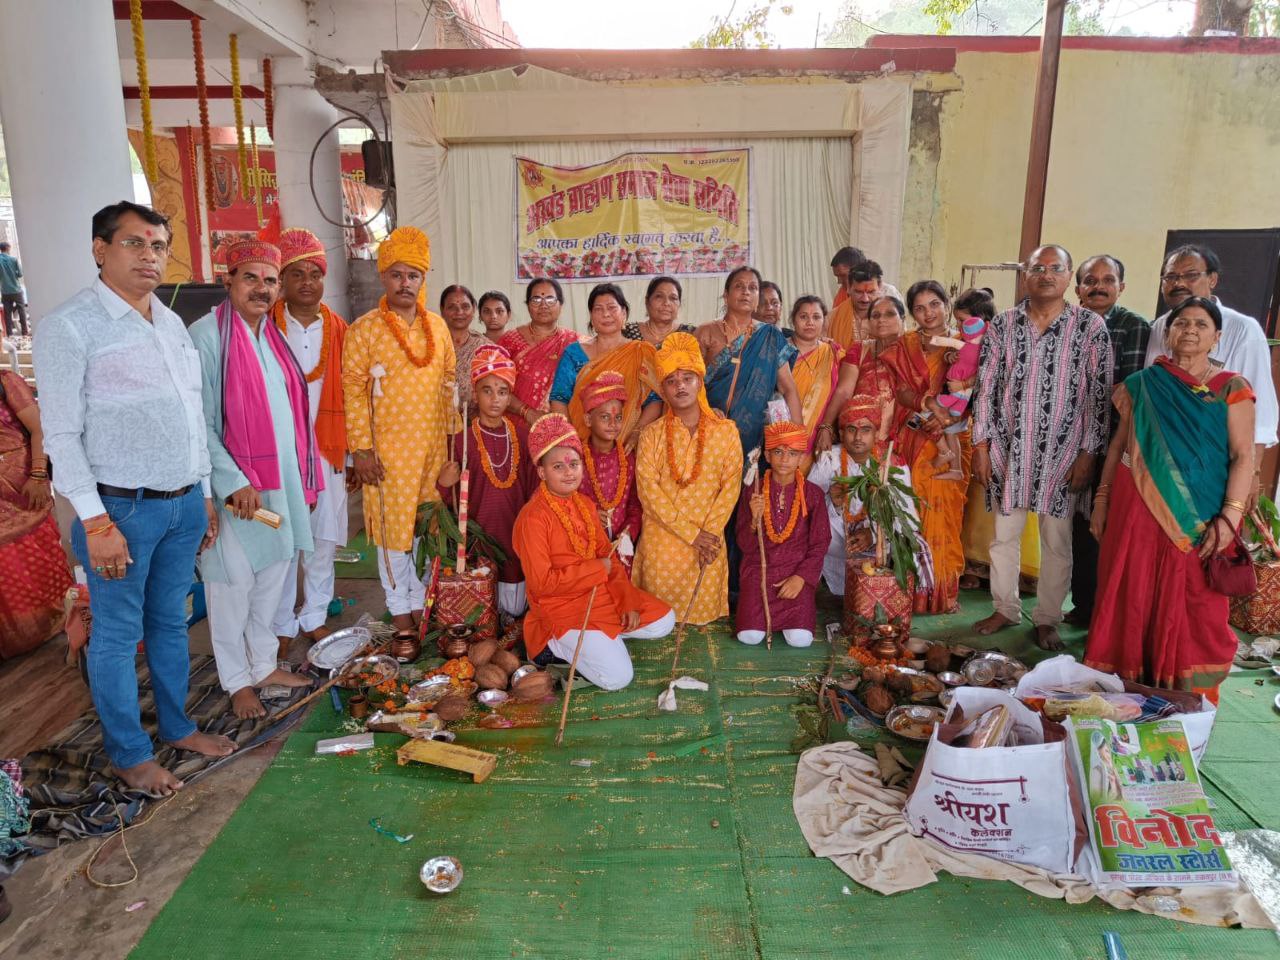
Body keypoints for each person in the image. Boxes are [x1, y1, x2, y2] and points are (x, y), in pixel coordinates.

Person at [36, 201, 232, 795]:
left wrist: (200, 492)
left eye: (157, 246)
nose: (149, 257)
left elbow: (192, 420)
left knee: (171, 623)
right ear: (100, 249)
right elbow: (62, 436)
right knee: (119, 635)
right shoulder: (69, 327)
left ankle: (176, 727)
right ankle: (127, 752)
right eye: (135, 244)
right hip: (118, 509)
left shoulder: (168, 325)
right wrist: (95, 522)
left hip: (178, 504)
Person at [1086, 297, 1254, 704]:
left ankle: (1184, 694)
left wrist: (1230, 517)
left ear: (1217, 337)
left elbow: (1244, 456)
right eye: (1181, 323)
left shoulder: (1232, 387)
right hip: (1135, 513)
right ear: (1168, 332)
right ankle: (1125, 688)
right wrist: (1102, 499)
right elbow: (1118, 447)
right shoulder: (1144, 384)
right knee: (1131, 590)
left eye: (1200, 324)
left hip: (1201, 516)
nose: (1190, 330)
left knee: (1194, 601)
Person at [191, 239, 320, 720]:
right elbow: (199, 421)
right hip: (237, 493)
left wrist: (301, 483)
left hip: (278, 486)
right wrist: (230, 481)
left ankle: (263, 664)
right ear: (229, 281)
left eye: (269, 280)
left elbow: (292, 419)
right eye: (251, 278)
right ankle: (237, 680)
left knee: (273, 574)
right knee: (232, 582)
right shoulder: (207, 336)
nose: (262, 288)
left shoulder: (272, 335)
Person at [972, 244, 1112, 650]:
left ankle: (1048, 617)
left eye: (1055, 268)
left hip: (1064, 452)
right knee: (1004, 536)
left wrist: (1088, 453)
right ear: (1025, 276)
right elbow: (985, 389)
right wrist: (980, 445)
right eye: (1038, 268)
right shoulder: (1003, 325)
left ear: (1069, 277)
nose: (1046, 274)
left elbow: (1098, 397)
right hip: (1009, 449)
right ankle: (1005, 607)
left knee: (1057, 540)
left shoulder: (1089, 328)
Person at [343, 226, 457, 635]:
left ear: (423, 279)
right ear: (383, 277)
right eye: (397, 274)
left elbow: (449, 386)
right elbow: (352, 392)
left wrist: (453, 445)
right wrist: (362, 450)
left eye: (413, 275)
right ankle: (402, 613)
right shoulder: (365, 329)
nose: (405, 283)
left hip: (433, 451)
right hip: (387, 454)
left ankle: (425, 604)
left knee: (428, 528)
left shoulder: (438, 328)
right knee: (393, 532)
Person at [513, 413, 674, 691]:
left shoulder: (585, 505)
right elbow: (543, 583)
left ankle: (603, 641)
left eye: (573, 464)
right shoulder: (533, 518)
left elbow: (608, 557)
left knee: (665, 620)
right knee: (618, 678)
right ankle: (553, 645)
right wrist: (596, 570)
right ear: (542, 472)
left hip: (599, 595)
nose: (568, 472)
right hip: (561, 610)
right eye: (558, 466)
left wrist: (627, 602)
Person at [1144, 244, 1277, 507]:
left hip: (1215, 466)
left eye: (1190, 275)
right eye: (1171, 277)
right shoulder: (1161, 326)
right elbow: (1152, 390)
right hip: (1161, 461)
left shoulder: (1243, 329)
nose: (1179, 283)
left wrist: (1252, 472)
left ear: (1212, 279)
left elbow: (1259, 413)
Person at [268, 228, 349, 653]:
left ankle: (314, 614)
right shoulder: (264, 328)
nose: (306, 282)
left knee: (322, 540)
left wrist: (351, 458)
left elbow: (352, 393)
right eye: (295, 273)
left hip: (326, 449)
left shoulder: (340, 331)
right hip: (278, 454)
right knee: (282, 541)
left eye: (314, 274)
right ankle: (281, 621)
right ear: (281, 280)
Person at [634, 333, 744, 625]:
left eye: (687, 378)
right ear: (664, 390)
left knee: (703, 626)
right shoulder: (651, 435)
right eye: (671, 381)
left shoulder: (726, 431)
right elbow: (648, 493)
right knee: (657, 627)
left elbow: (730, 488)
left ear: (700, 382)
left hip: (709, 537)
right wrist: (691, 534)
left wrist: (707, 534)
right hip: (664, 542)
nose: (680, 386)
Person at [1068, 254, 1150, 627]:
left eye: (1107, 279)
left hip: (1112, 443)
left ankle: (1107, 612)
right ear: (1078, 286)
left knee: (1106, 527)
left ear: (1121, 286)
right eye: (1090, 279)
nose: (1098, 286)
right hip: (1066, 442)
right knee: (1076, 529)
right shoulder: (1066, 324)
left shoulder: (1134, 327)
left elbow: (1127, 392)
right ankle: (1084, 606)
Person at [437, 344, 533, 618]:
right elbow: (448, 502)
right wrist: (444, 483)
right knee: (481, 612)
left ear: (509, 396)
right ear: (475, 395)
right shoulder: (461, 441)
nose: (495, 399)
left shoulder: (523, 437)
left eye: (502, 392)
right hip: (479, 540)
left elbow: (535, 489)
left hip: (516, 536)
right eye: (487, 391)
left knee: (515, 608)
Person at [809, 395, 924, 597]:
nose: (858, 437)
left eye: (866, 430)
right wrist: (833, 504)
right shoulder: (829, 459)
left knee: (913, 540)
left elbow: (909, 518)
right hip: (835, 541)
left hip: (879, 545)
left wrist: (873, 534)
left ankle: (894, 595)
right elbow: (806, 505)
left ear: (876, 433)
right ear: (841, 432)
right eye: (851, 429)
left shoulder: (893, 464)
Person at [734, 422, 830, 648]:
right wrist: (754, 521)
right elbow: (744, 545)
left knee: (801, 640)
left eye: (792, 453)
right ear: (767, 454)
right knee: (748, 637)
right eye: (778, 452)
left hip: (795, 575)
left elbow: (820, 543)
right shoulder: (753, 490)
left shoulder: (813, 494)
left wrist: (801, 578)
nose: (785, 459)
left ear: (801, 458)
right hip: (759, 574)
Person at [0, 368, 73, 658]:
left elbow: (39, 428)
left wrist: (39, 475)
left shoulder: (5, 381)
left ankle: (49, 628)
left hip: (22, 492)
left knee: (27, 563)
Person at [698, 267, 802, 468]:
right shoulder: (706, 332)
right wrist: (706, 410)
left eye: (753, 288)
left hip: (753, 437)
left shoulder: (770, 337)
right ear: (726, 296)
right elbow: (689, 382)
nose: (746, 291)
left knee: (749, 494)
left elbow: (789, 389)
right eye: (739, 286)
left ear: (757, 299)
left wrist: (796, 438)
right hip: (708, 427)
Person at [548, 283, 662, 448]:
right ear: (591, 317)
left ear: (624, 313)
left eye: (611, 308)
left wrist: (637, 433)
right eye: (598, 309)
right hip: (580, 445)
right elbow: (559, 399)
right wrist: (570, 439)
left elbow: (655, 400)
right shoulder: (574, 353)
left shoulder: (640, 353)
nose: (606, 314)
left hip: (628, 446)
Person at [578, 371, 643, 570]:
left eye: (618, 417)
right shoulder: (574, 458)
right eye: (605, 417)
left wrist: (628, 532)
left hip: (619, 549)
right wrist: (589, 514)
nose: (613, 424)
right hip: (583, 545)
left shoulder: (628, 459)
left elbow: (635, 505)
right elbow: (563, 502)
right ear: (588, 420)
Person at [497, 278, 581, 427]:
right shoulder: (509, 341)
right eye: (536, 299)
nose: (543, 305)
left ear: (560, 304)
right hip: (515, 426)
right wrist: (526, 412)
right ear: (528, 305)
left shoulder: (575, 342)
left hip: (561, 428)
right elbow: (496, 387)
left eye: (550, 299)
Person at [787, 296, 840, 466]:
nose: (810, 322)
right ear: (793, 320)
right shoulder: (780, 351)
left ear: (824, 321)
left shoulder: (834, 353)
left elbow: (841, 395)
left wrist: (827, 428)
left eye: (816, 317)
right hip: (783, 437)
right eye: (803, 317)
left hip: (819, 439)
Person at [824, 260, 901, 350]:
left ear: (879, 287)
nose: (865, 299)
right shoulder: (831, 319)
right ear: (849, 287)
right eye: (858, 292)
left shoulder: (893, 320)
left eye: (871, 292)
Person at [441, 284, 487, 408]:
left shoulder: (486, 348)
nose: (459, 312)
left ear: (474, 308)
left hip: (473, 422)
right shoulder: (432, 343)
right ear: (442, 310)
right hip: (436, 420)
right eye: (452, 307)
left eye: (465, 306)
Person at [622, 275, 696, 346]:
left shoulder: (691, 334)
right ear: (647, 301)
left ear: (679, 304)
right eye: (659, 297)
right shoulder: (627, 332)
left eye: (673, 298)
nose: (666, 303)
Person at [0, 243, 25, 337]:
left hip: (5, 291)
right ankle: (25, 333)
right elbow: (20, 274)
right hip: (16, 290)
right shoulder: (14, 259)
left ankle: (10, 335)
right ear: (7, 248)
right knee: (21, 310)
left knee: (7, 314)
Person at [829, 246, 864, 311]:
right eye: (837, 276)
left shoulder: (883, 295)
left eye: (843, 275)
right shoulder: (841, 293)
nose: (839, 282)